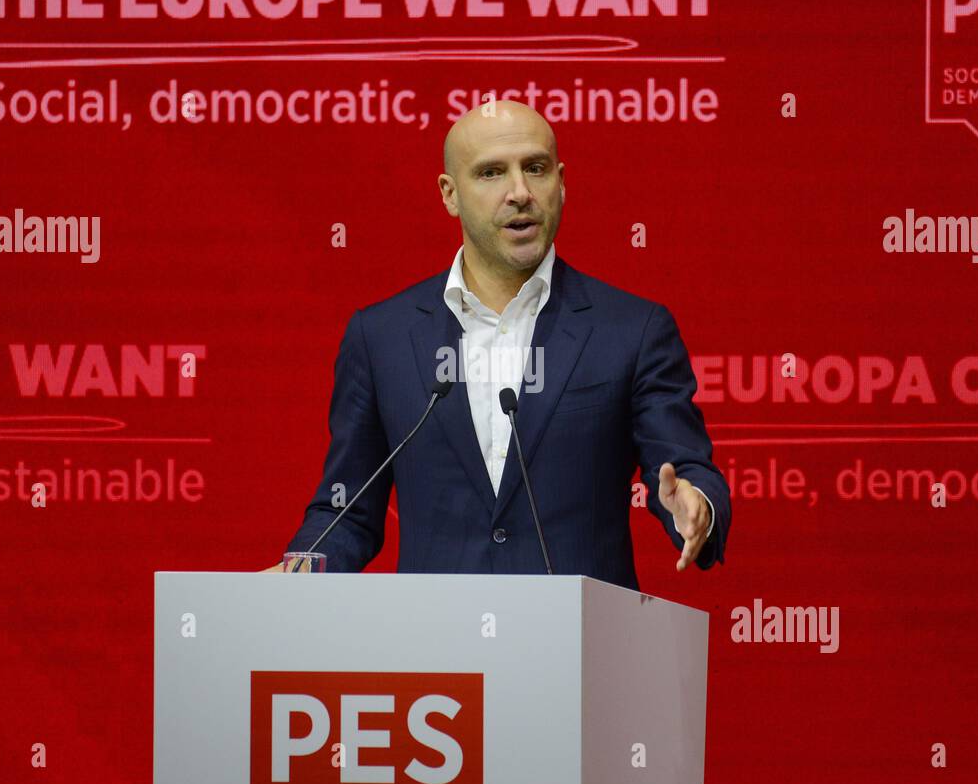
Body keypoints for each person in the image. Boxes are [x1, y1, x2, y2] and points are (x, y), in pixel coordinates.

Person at [269, 101, 730, 588]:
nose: (520, 193)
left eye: (536, 169)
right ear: (450, 194)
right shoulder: (381, 337)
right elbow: (348, 506)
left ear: (561, 181)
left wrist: (696, 505)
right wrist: (302, 569)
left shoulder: (633, 330)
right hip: (438, 649)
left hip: (579, 648)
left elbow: (686, 469)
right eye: (491, 173)